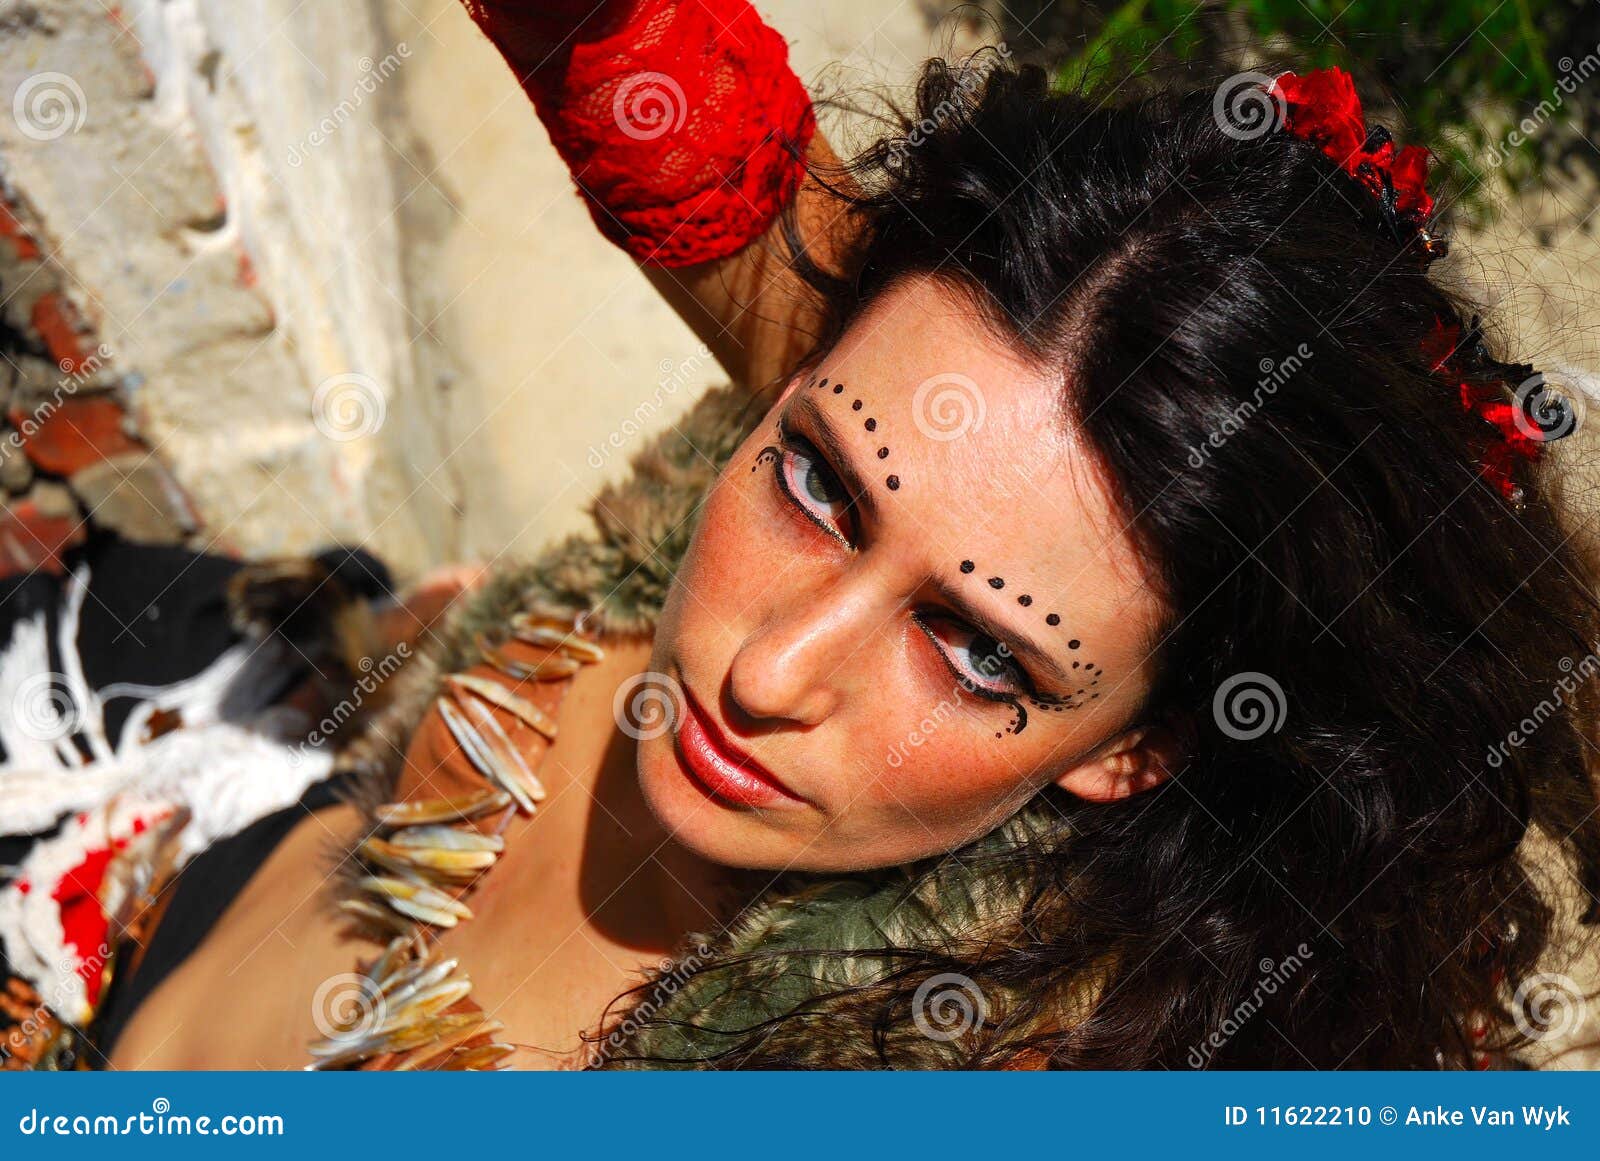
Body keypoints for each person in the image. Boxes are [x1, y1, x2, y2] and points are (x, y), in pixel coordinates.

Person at [9, 0, 1600, 1070]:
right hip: (152, 845)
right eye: (824, 484)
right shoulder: (889, 375)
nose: (767, 667)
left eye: (978, 646)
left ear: (1142, 744)